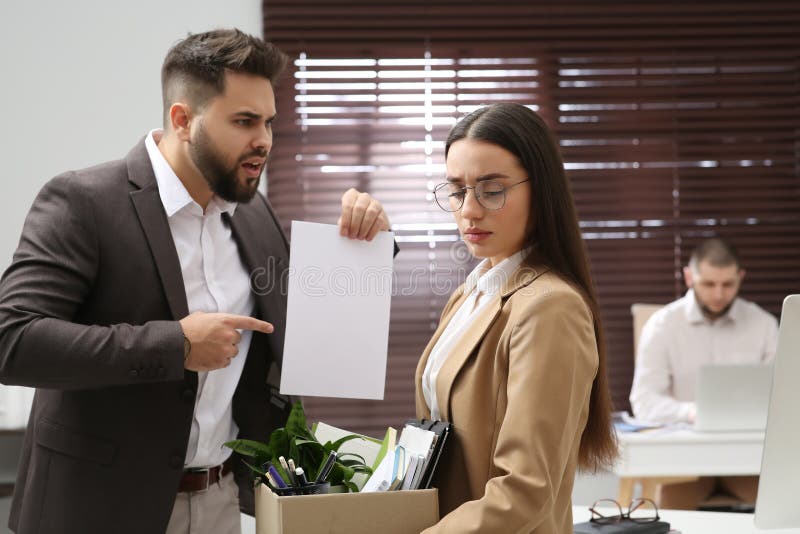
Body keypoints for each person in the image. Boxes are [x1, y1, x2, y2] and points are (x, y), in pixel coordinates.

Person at [0, 29, 389, 534]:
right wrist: (175, 344)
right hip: (97, 506)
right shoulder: (83, 202)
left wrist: (364, 242)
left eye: (269, 122)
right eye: (245, 121)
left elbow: (303, 339)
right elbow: (12, 340)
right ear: (182, 120)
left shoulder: (254, 215)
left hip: (220, 501)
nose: (264, 141)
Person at [414, 103, 617, 533]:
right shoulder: (470, 295)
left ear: (539, 190)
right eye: (457, 190)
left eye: (492, 189)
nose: (468, 210)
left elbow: (523, 493)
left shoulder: (549, 307)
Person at [629, 237, 778, 509]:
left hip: (748, 457)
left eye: (728, 284)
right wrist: (692, 411)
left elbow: (784, 397)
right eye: (709, 284)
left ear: (740, 277)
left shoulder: (764, 325)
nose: (719, 294)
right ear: (689, 277)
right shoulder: (662, 326)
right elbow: (644, 401)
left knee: (784, 505)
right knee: (669, 514)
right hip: (686, 459)